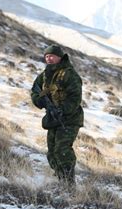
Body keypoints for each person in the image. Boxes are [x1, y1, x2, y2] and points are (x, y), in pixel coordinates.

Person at [31, 44, 83, 187]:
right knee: (52, 153)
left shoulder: (69, 74)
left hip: (69, 119)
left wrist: (63, 110)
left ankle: (69, 183)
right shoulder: (45, 75)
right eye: (47, 56)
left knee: (63, 150)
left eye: (52, 56)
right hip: (53, 119)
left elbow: (75, 98)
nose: (49, 58)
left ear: (60, 57)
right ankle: (61, 180)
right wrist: (39, 100)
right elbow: (35, 91)